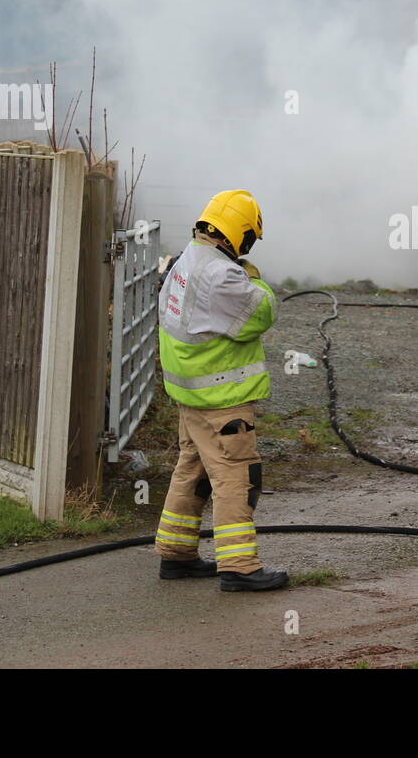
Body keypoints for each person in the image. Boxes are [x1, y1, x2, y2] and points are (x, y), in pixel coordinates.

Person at [153, 189, 288, 592]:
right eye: (249, 239)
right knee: (236, 477)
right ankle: (240, 567)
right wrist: (256, 278)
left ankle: (176, 555)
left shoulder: (186, 261)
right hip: (221, 401)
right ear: (237, 234)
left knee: (192, 469)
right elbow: (262, 313)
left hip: (191, 397)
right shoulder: (223, 275)